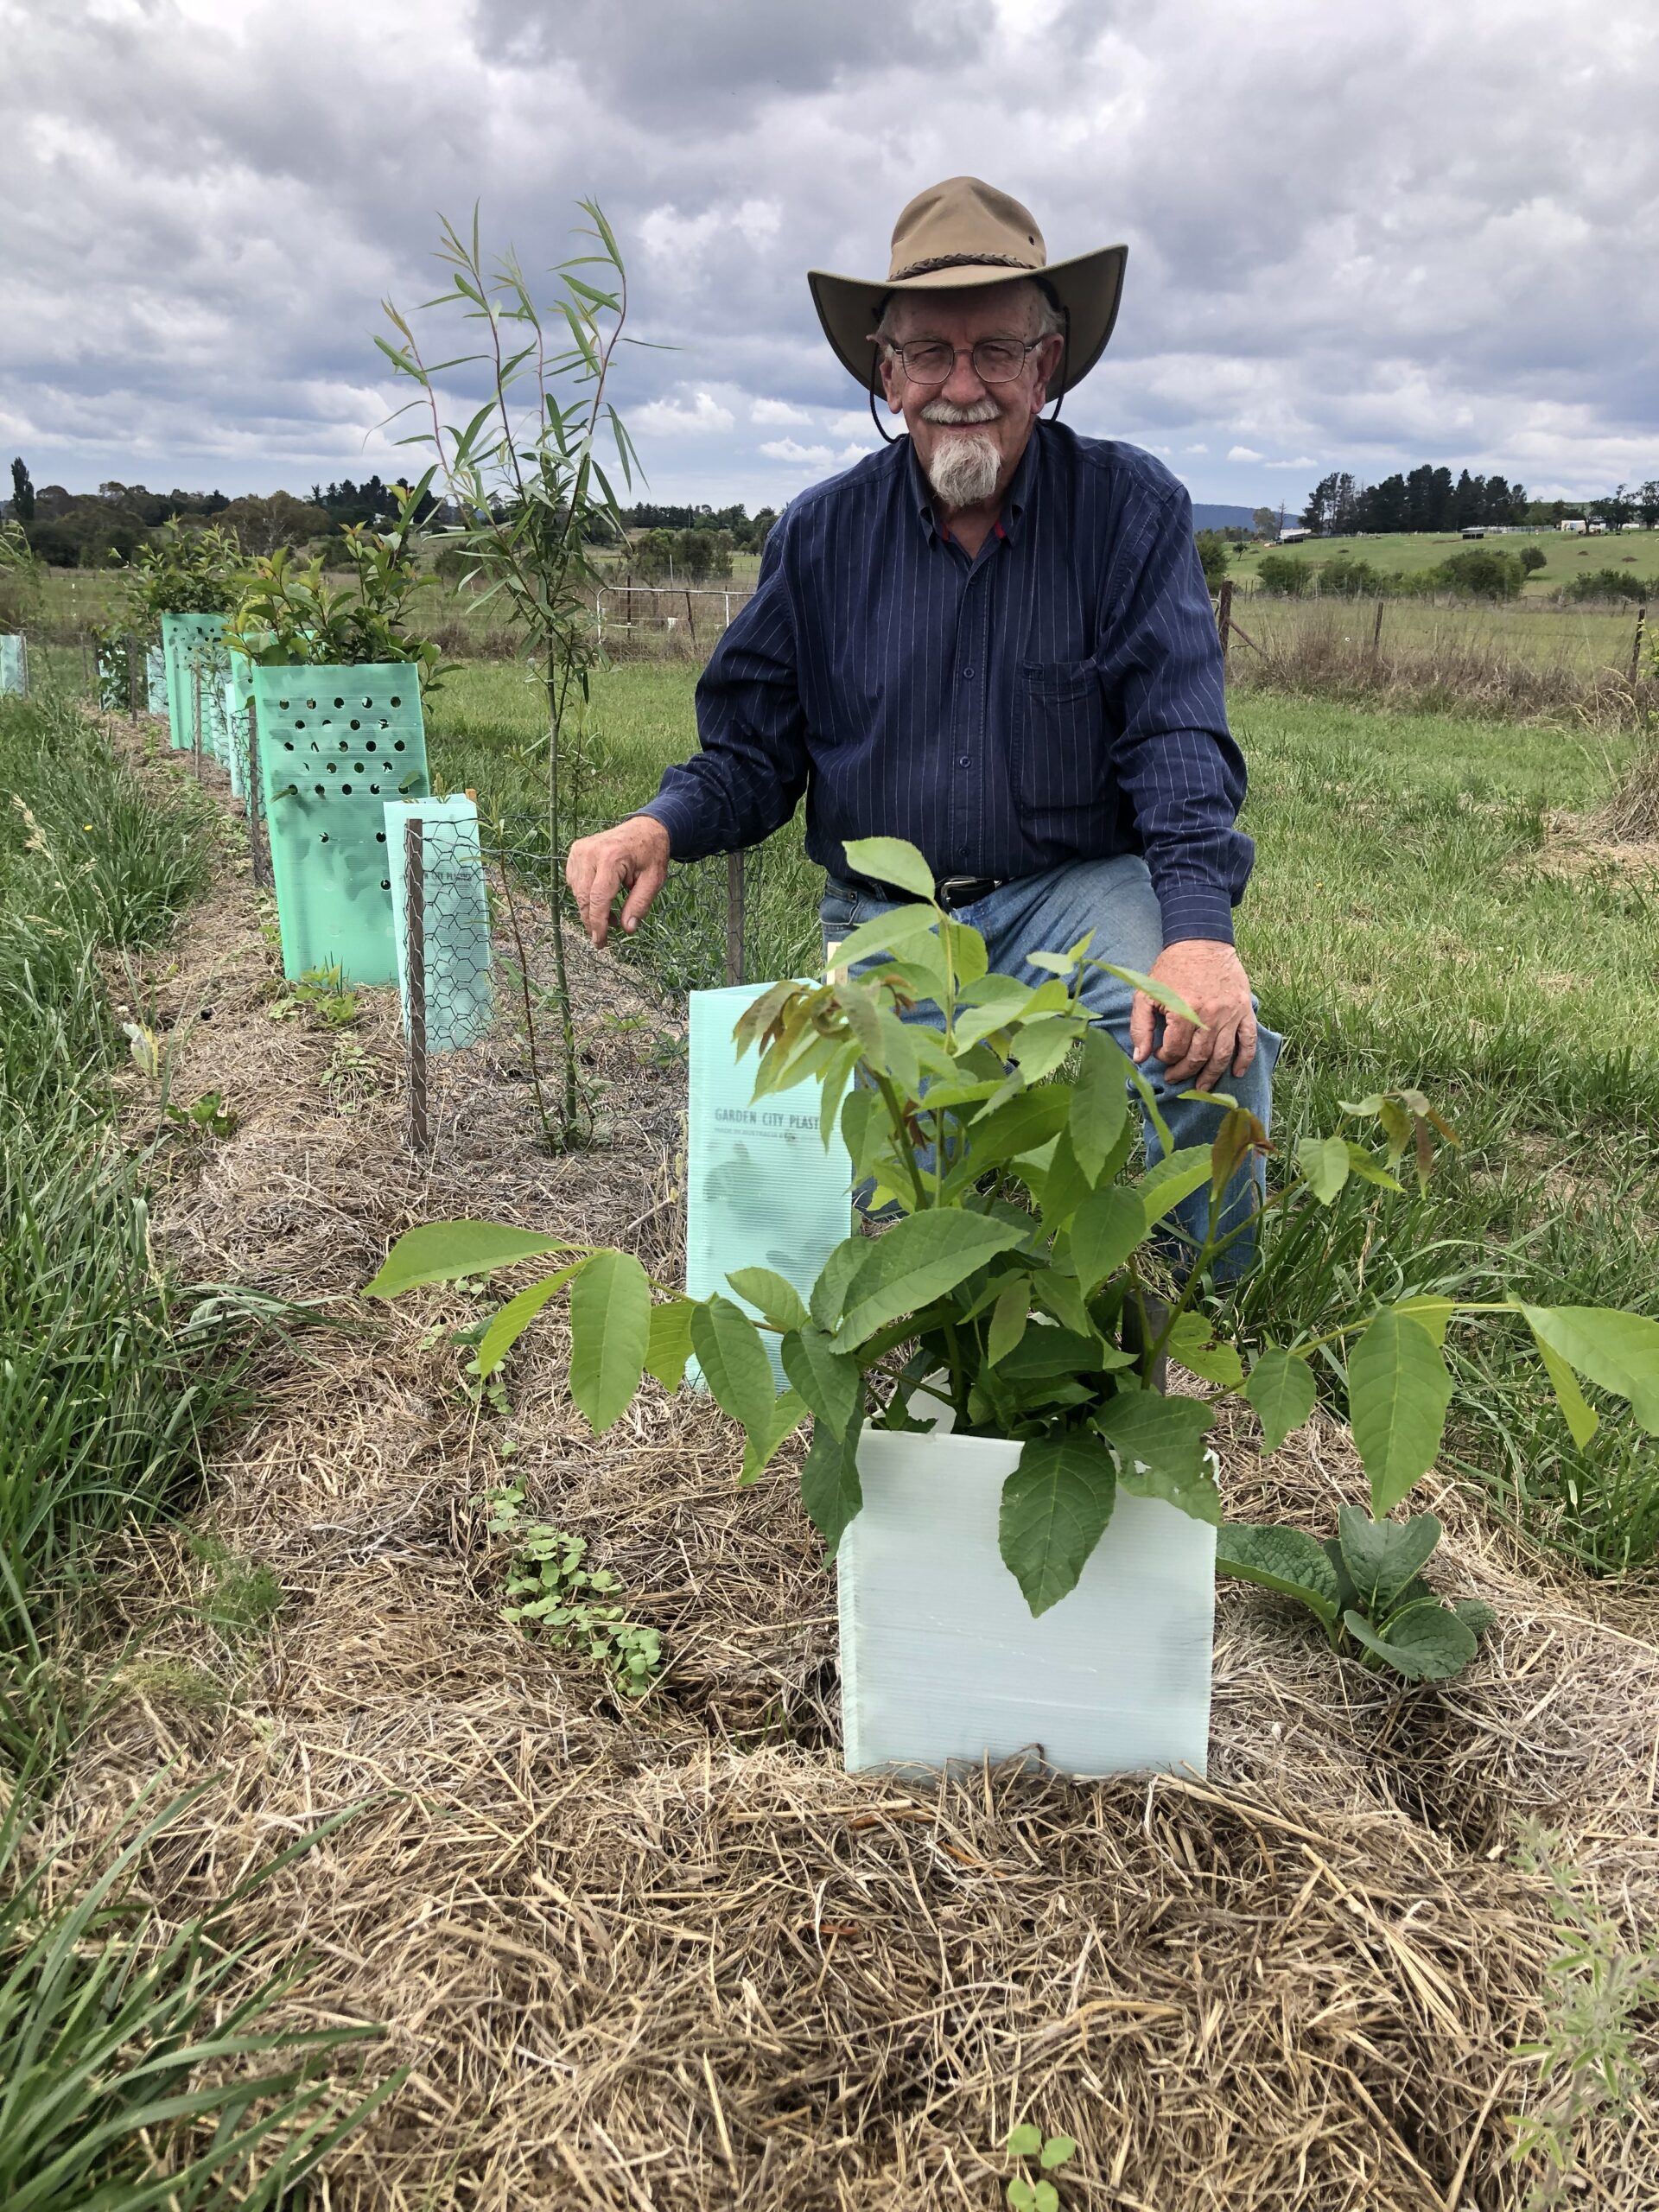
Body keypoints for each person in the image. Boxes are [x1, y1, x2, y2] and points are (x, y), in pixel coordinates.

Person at [568, 175, 1279, 1261]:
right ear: (884, 373)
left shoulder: (1128, 512)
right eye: (929, 355)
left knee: (1209, 1041)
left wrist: (1196, 933)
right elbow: (751, 757)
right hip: (885, 918)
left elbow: (1177, 738)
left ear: (1046, 366)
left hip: (1071, 896)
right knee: (897, 1221)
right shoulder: (819, 538)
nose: (963, 385)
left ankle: (1210, 1305)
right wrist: (656, 824)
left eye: (996, 350)